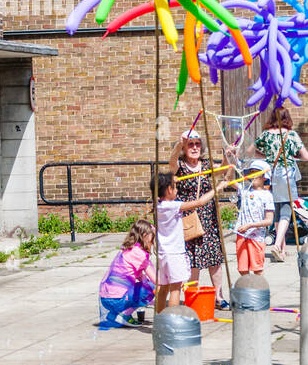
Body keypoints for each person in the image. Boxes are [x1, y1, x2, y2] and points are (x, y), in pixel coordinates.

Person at [170, 129, 229, 309]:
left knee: (214, 256)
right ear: (184, 147)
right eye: (190, 144)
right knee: (193, 258)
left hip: (208, 215)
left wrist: (227, 156)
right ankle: (193, 295)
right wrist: (178, 144)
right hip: (189, 216)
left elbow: (223, 172)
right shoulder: (180, 165)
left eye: (197, 144)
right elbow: (171, 163)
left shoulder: (205, 164)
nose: (194, 147)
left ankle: (218, 296)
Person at [254, 106, 308, 262]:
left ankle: (282, 250)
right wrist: (294, 157)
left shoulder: (265, 135)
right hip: (286, 175)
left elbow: (251, 151)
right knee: (286, 210)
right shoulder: (291, 135)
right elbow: (307, 157)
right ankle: (278, 244)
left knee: (277, 211)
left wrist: (267, 155)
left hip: (270, 175)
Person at [153, 172, 214, 314]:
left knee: (164, 288)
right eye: (175, 187)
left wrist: (171, 180)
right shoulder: (172, 205)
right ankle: (172, 319)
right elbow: (199, 203)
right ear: (168, 189)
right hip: (175, 253)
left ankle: (160, 318)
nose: (177, 190)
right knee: (176, 288)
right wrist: (216, 189)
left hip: (163, 253)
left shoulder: (158, 205)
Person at [97, 219, 156, 329]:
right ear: (145, 236)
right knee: (151, 288)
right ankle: (125, 314)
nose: (153, 241)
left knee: (142, 288)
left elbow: (138, 275)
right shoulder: (140, 254)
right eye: (152, 238)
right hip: (117, 299)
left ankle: (113, 316)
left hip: (105, 298)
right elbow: (156, 281)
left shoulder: (128, 249)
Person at [232, 159, 274, 276]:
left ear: (264, 176)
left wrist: (250, 225)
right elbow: (228, 180)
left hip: (257, 237)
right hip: (242, 234)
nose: (253, 175)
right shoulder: (244, 190)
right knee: (242, 269)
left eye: (257, 173)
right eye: (252, 172)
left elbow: (269, 220)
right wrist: (230, 160)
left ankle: (258, 291)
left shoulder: (267, 196)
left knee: (257, 269)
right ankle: (247, 291)